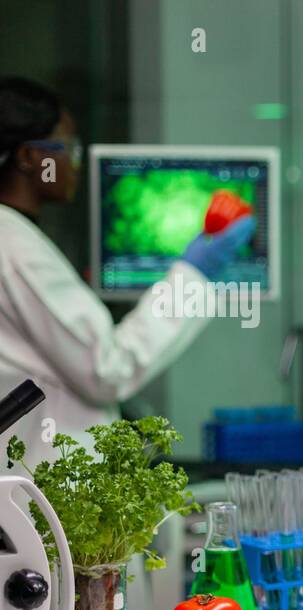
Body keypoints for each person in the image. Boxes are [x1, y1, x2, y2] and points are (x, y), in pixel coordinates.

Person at [0, 77, 254, 465]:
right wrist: (193, 273)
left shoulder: (17, 238)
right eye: (68, 148)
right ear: (30, 158)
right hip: (38, 481)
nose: (74, 162)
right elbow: (108, 369)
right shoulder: (16, 248)